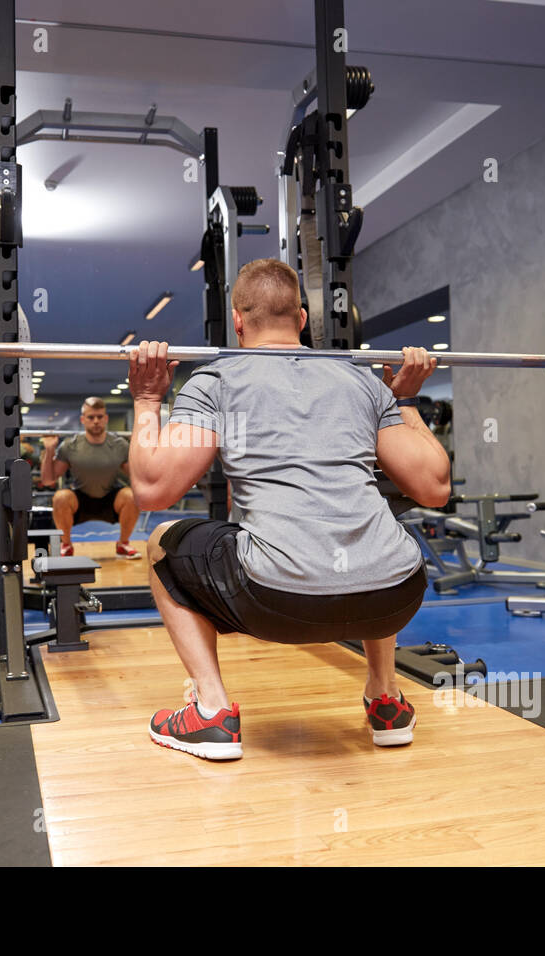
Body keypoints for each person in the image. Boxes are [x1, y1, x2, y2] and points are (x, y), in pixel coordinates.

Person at [126, 258, 452, 760]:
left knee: (160, 542)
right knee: (375, 531)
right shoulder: (364, 382)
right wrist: (405, 400)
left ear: (237, 322)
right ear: (302, 319)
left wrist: (148, 400)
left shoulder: (216, 381)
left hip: (277, 602)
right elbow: (434, 487)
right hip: (396, 594)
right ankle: (386, 698)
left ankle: (211, 712)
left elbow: (151, 490)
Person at [39, 398, 141, 558]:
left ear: (106, 418)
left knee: (132, 496)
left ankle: (123, 544)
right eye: (91, 417)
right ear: (83, 419)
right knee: (61, 497)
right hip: (80, 499)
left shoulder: (119, 445)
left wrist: (140, 449)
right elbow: (48, 480)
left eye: (100, 417)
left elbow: (137, 476)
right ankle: (66, 545)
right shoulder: (70, 445)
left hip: (110, 499)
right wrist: (50, 450)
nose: (96, 421)